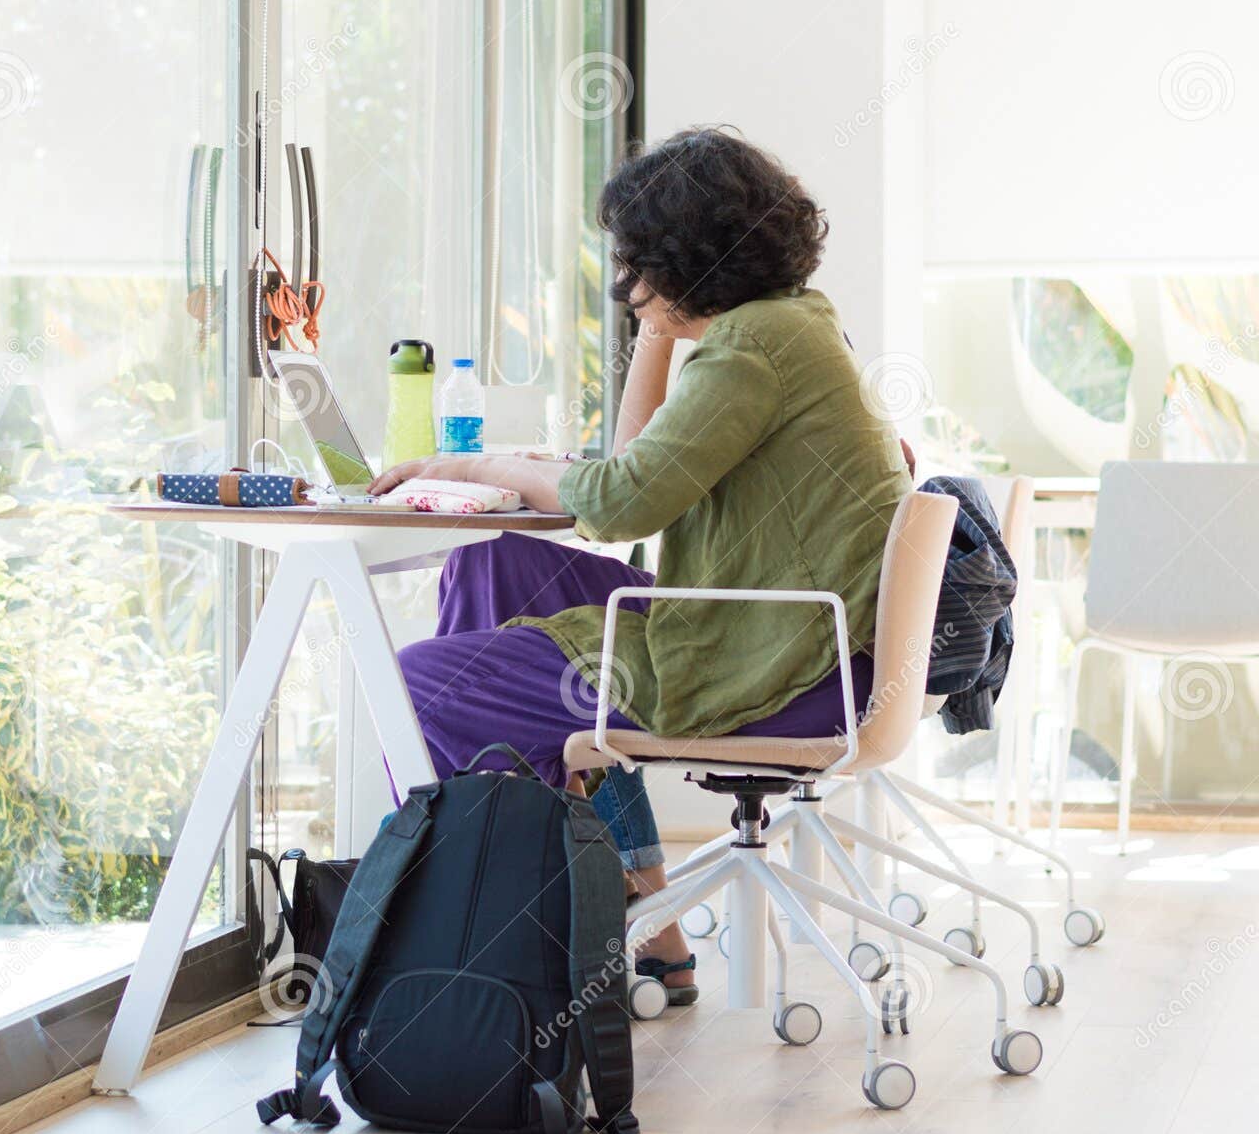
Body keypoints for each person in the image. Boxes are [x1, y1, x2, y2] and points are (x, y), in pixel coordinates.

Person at [374, 127, 912, 1001]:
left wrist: (467, 467)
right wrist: (655, 334)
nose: (627, 279)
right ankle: (636, 916)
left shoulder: (754, 350)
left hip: (770, 665)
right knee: (502, 563)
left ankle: (512, 945)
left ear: (678, 254)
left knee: (424, 683)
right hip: (793, 637)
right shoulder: (788, 327)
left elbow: (618, 503)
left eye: (636, 260)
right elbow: (628, 476)